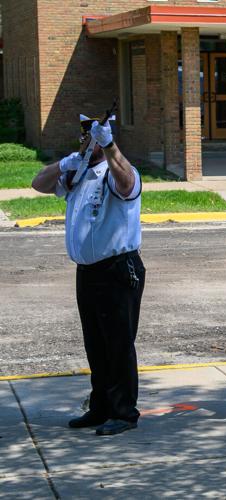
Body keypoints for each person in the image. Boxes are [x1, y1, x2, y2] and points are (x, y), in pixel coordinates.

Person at [30, 115, 144, 436]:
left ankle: (124, 412)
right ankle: (101, 407)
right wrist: (68, 162)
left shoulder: (118, 170)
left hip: (119, 269)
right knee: (95, 344)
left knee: (118, 344)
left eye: (92, 137)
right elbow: (38, 183)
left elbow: (126, 185)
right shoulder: (78, 174)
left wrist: (109, 146)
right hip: (88, 272)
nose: (86, 142)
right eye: (84, 137)